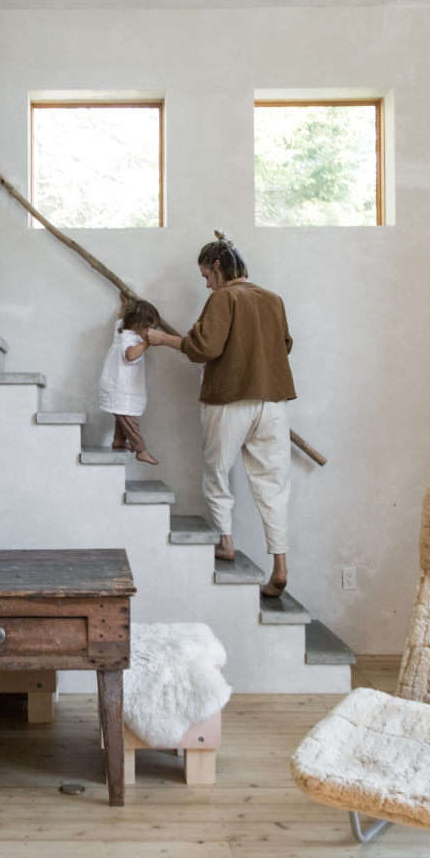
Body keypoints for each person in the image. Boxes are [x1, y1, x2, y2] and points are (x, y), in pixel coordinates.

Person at [144, 234, 296, 596]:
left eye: (205, 276)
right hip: (273, 403)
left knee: (216, 472)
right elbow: (285, 345)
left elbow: (203, 348)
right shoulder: (273, 300)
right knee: (273, 485)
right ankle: (280, 567)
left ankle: (226, 542)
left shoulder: (223, 298)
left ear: (216, 267)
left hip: (229, 401)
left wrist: (164, 339)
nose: (206, 283)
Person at [96, 298, 162, 465]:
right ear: (137, 325)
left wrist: (124, 305)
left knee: (122, 416)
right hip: (121, 388)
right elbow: (130, 355)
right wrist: (147, 342)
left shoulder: (120, 330)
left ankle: (118, 440)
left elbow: (120, 317)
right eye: (149, 328)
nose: (151, 331)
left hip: (115, 387)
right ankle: (141, 450)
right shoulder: (130, 339)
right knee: (130, 422)